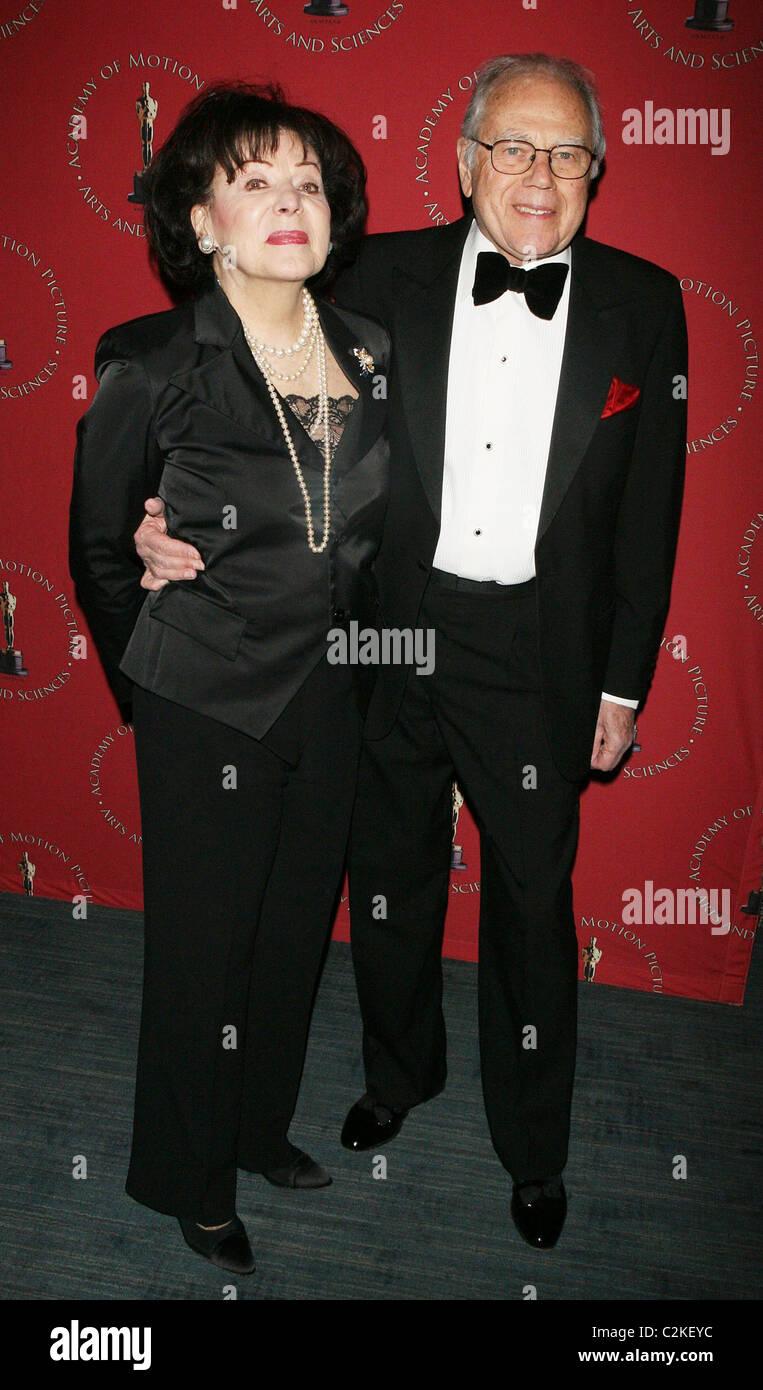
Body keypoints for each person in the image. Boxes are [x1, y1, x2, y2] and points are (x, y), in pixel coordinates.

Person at [133, 53, 688, 1252]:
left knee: (533, 904)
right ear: (465, 159)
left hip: (539, 646)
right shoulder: (376, 274)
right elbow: (245, 362)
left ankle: (532, 1147)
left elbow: (651, 512)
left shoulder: (645, 302)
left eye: (567, 154)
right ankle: (399, 1074)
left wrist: (623, 677)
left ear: (595, 171)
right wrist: (155, 503)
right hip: (385, 627)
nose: (538, 177)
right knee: (386, 873)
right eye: (513, 148)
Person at [69, 81, 390, 1274]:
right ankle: (187, 1174)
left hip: (330, 692)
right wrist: (152, 663)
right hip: (201, 691)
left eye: (305, 180)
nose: (287, 200)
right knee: (203, 948)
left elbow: (364, 537)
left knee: (291, 932)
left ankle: (258, 1126)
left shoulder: (371, 349)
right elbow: (101, 548)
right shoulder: (148, 360)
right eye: (252, 180)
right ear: (199, 217)